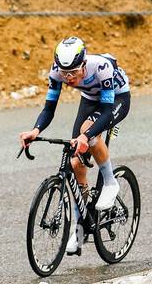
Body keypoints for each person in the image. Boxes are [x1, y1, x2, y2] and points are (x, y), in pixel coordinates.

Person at [18, 37, 130, 255]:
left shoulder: (101, 67)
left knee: (89, 135)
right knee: (75, 161)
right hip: (90, 98)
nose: (69, 78)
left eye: (74, 72)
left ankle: (110, 182)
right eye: (64, 73)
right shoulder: (57, 72)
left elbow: (106, 112)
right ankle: (80, 228)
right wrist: (35, 130)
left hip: (116, 99)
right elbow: (49, 109)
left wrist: (86, 135)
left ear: (84, 64)